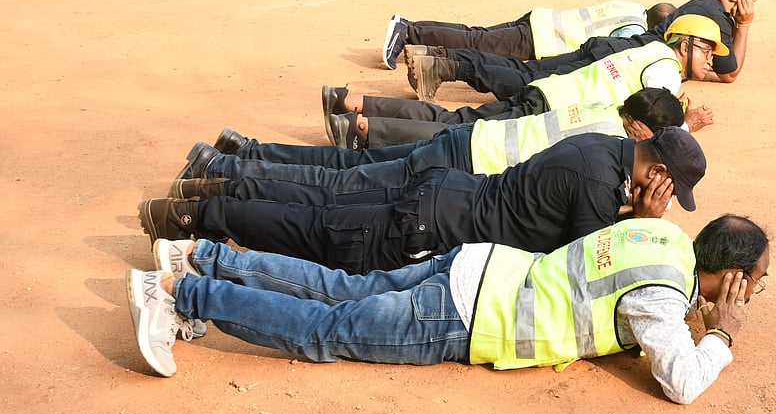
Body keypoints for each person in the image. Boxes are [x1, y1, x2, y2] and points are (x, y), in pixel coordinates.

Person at [126, 213, 770, 406]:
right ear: (734, 276)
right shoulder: (663, 296)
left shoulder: (664, 238)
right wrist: (726, 336)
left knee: (337, 288)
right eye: (755, 283)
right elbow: (680, 383)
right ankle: (177, 294)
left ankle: (201, 255)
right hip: (470, 318)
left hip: (477, 265)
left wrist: (696, 309)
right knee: (328, 331)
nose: (753, 295)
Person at [138, 126, 706, 275]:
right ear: (655, 170)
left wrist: (629, 208)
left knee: (322, 200)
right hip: (430, 228)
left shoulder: (604, 150)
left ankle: (211, 191)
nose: (667, 201)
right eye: (669, 190)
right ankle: (195, 215)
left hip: (445, 193)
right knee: (311, 230)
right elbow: (584, 265)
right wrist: (645, 222)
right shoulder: (598, 189)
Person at [169, 88, 694, 201]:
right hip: (466, 163)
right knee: (341, 180)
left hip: (468, 141)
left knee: (344, 164)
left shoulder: (603, 112)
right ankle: (226, 169)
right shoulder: (608, 144)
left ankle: (243, 150)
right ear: (641, 132)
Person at [332, 14, 727, 145]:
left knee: (462, 122)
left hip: (551, 92)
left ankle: (356, 106)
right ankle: (364, 128)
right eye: (708, 49)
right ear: (686, 43)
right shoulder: (666, 72)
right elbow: (652, 133)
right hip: (558, 112)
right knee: (463, 131)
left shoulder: (649, 49)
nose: (711, 59)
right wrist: (686, 126)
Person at [404, 0, 770, 96]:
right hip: (615, 58)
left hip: (606, 48)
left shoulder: (698, 5)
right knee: (526, 79)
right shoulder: (718, 21)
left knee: (521, 69)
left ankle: (438, 59)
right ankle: (442, 62)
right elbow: (730, 73)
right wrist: (746, 25)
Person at [382, 0, 669, 70]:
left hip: (541, 20)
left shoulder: (633, 8)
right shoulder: (635, 30)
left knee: (476, 36)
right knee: (476, 41)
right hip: (541, 39)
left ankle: (410, 27)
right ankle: (407, 31)